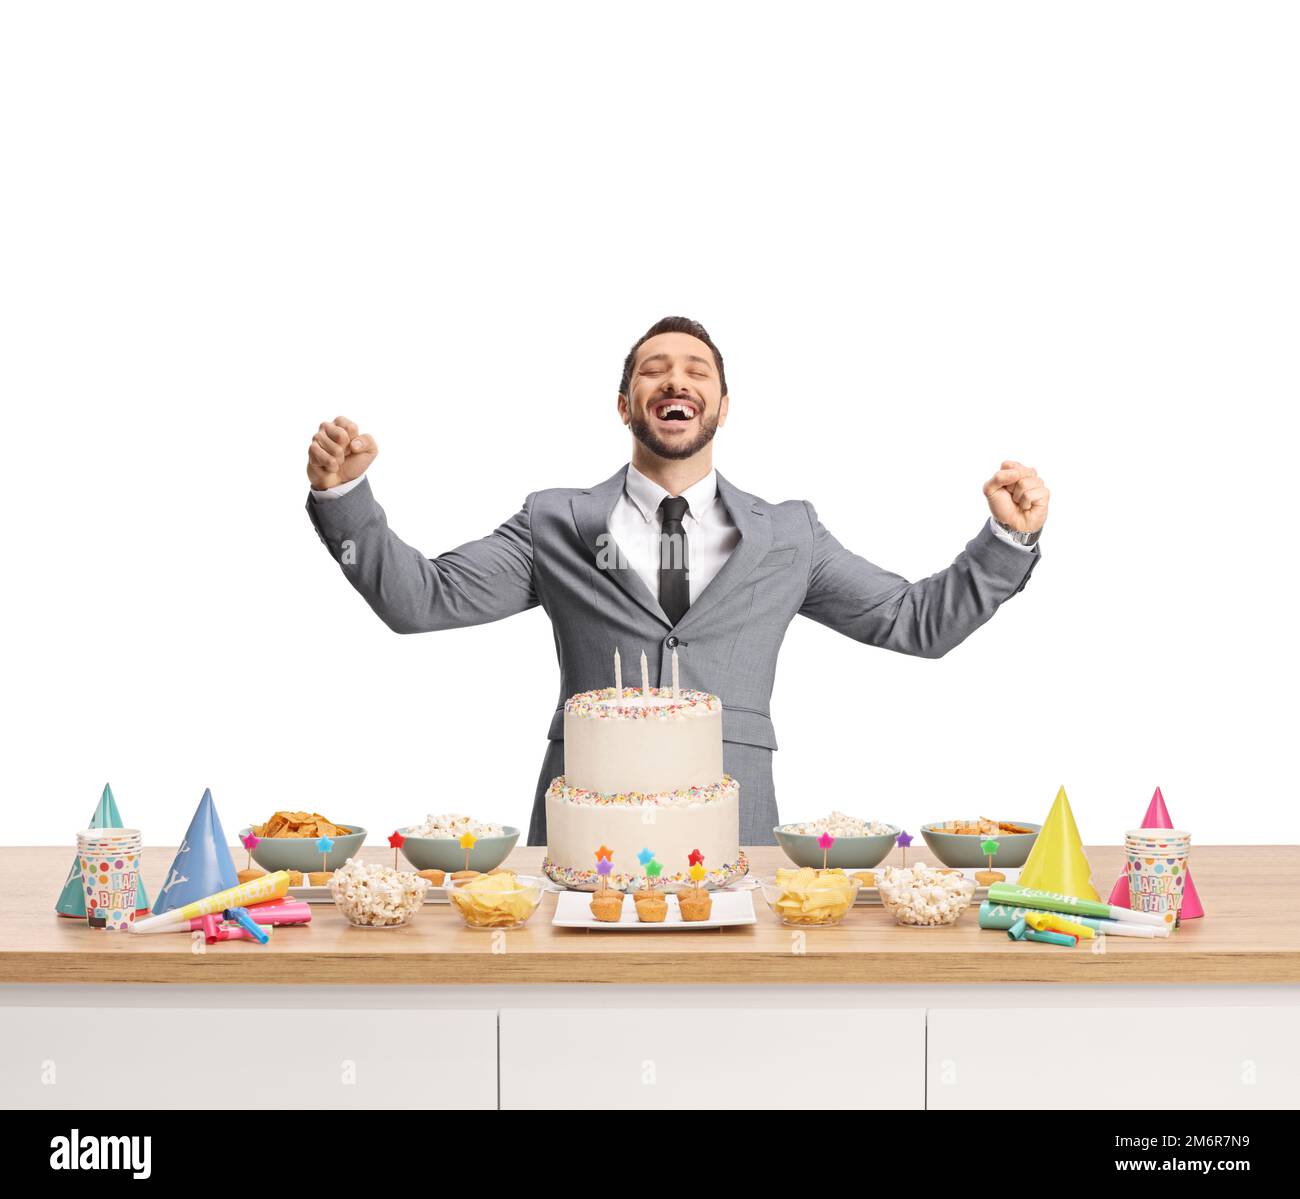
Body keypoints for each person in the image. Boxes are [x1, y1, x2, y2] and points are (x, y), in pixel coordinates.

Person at [305, 316, 1049, 845]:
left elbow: (914, 622)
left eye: (697, 370)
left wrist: (1007, 540)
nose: (675, 378)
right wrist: (346, 502)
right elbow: (422, 600)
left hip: (736, 834)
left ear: (722, 406)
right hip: (582, 839)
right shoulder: (555, 522)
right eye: (653, 369)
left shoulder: (790, 535)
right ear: (626, 404)